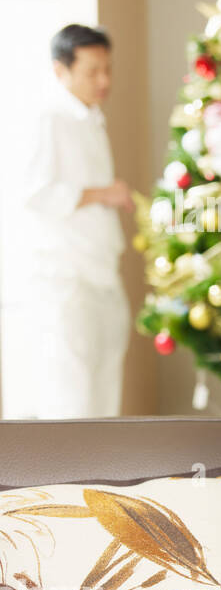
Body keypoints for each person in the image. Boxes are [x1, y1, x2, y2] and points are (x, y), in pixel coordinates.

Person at [1, 24, 134, 419]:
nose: (104, 81)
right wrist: (103, 193)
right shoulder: (48, 117)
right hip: (66, 279)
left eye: (107, 69)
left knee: (104, 392)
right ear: (61, 70)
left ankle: (104, 479)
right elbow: (32, 191)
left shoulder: (91, 120)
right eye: (92, 71)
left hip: (102, 273)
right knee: (71, 396)